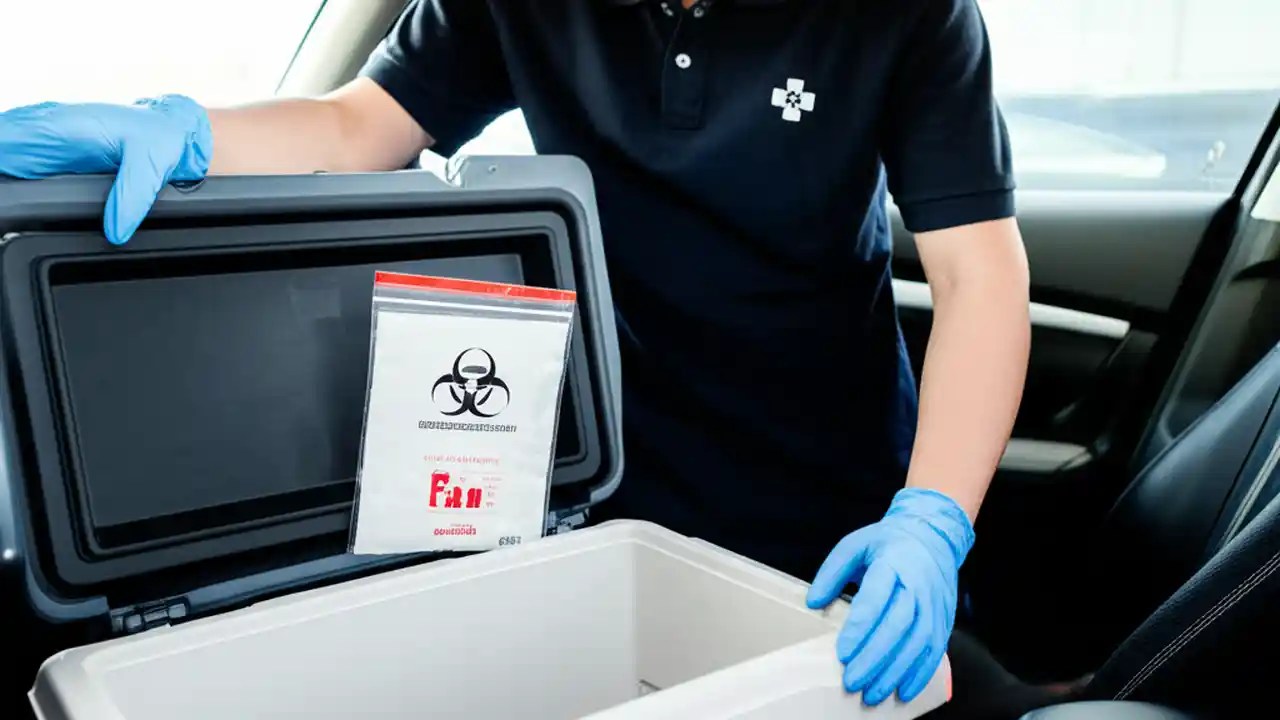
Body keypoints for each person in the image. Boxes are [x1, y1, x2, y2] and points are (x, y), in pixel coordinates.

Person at [0, 0, 1048, 714]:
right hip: (625, 489)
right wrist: (183, 132)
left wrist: (931, 517)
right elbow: (358, 126)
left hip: (840, 510)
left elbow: (977, 277)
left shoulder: (909, 16)